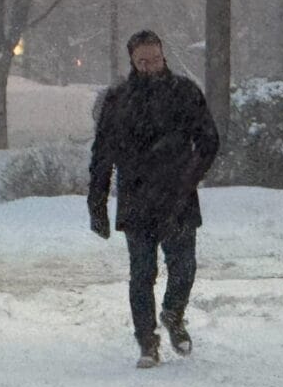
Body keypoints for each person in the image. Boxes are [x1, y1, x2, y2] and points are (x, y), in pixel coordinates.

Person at [87, 30, 220, 368]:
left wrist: (189, 176)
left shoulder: (185, 93)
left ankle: (174, 313)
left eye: (155, 59)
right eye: (142, 61)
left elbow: (208, 141)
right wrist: (97, 203)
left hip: (178, 197)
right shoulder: (118, 100)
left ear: (164, 55)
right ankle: (147, 340)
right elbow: (102, 154)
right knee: (141, 273)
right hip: (137, 197)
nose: (150, 67)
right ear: (132, 61)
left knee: (183, 268)